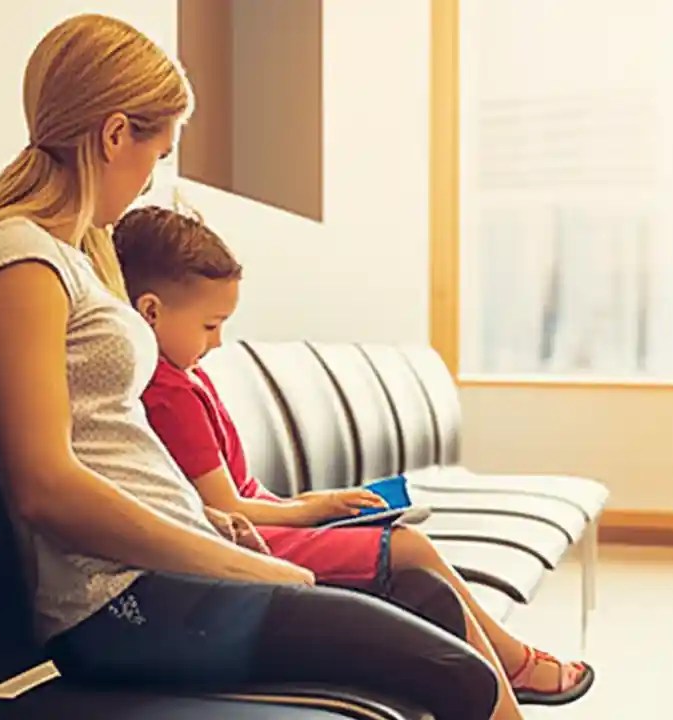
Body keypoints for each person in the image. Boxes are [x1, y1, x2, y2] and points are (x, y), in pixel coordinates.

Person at [0, 13, 516, 719]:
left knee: (427, 597)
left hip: (169, 576)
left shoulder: (75, 257)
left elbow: (107, 443)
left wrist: (206, 521)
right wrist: (237, 562)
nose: (150, 181)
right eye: (158, 153)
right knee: (458, 674)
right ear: (115, 135)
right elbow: (46, 486)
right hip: (119, 604)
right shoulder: (14, 260)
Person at [111, 203, 595, 707]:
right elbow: (227, 508)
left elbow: (242, 490)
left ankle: (504, 670)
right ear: (151, 312)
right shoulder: (169, 394)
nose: (218, 341)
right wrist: (313, 509)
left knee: (414, 568)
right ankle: (512, 664)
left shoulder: (187, 377)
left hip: (262, 524)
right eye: (210, 325)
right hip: (244, 544)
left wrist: (315, 504)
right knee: (409, 548)